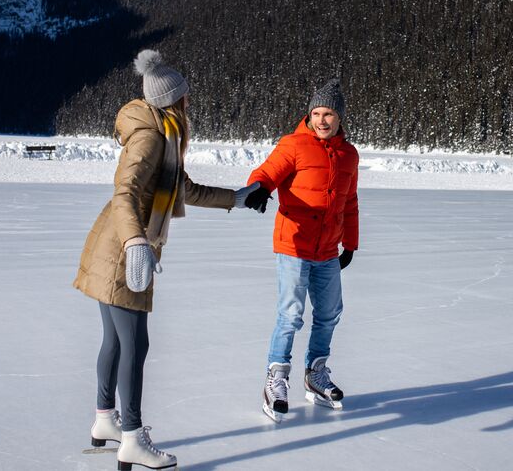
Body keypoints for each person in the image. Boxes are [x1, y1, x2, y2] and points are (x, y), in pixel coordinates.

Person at [73, 49, 263, 470]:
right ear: (172, 100)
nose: (189, 101)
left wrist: (236, 198)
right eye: (185, 96)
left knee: (116, 341)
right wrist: (136, 243)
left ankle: (106, 419)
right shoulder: (150, 136)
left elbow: (184, 189)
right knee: (135, 344)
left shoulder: (164, 133)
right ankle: (133, 439)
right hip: (124, 250)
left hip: (115, 245)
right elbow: (124, 194)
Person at [244, 78, 359, 421]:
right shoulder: (293, 145)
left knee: (329, 313)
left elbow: (350, 202)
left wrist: (350, 244)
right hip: (293, 245)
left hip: (327, 250)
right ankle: (276, 379)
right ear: (309, 115)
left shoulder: (349, 154)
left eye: (329, 114)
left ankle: (315, 374)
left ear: (340, 117)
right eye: (317, 113)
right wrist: (260, 188)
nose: (323, 120)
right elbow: (267, 172)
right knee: (291, 315)